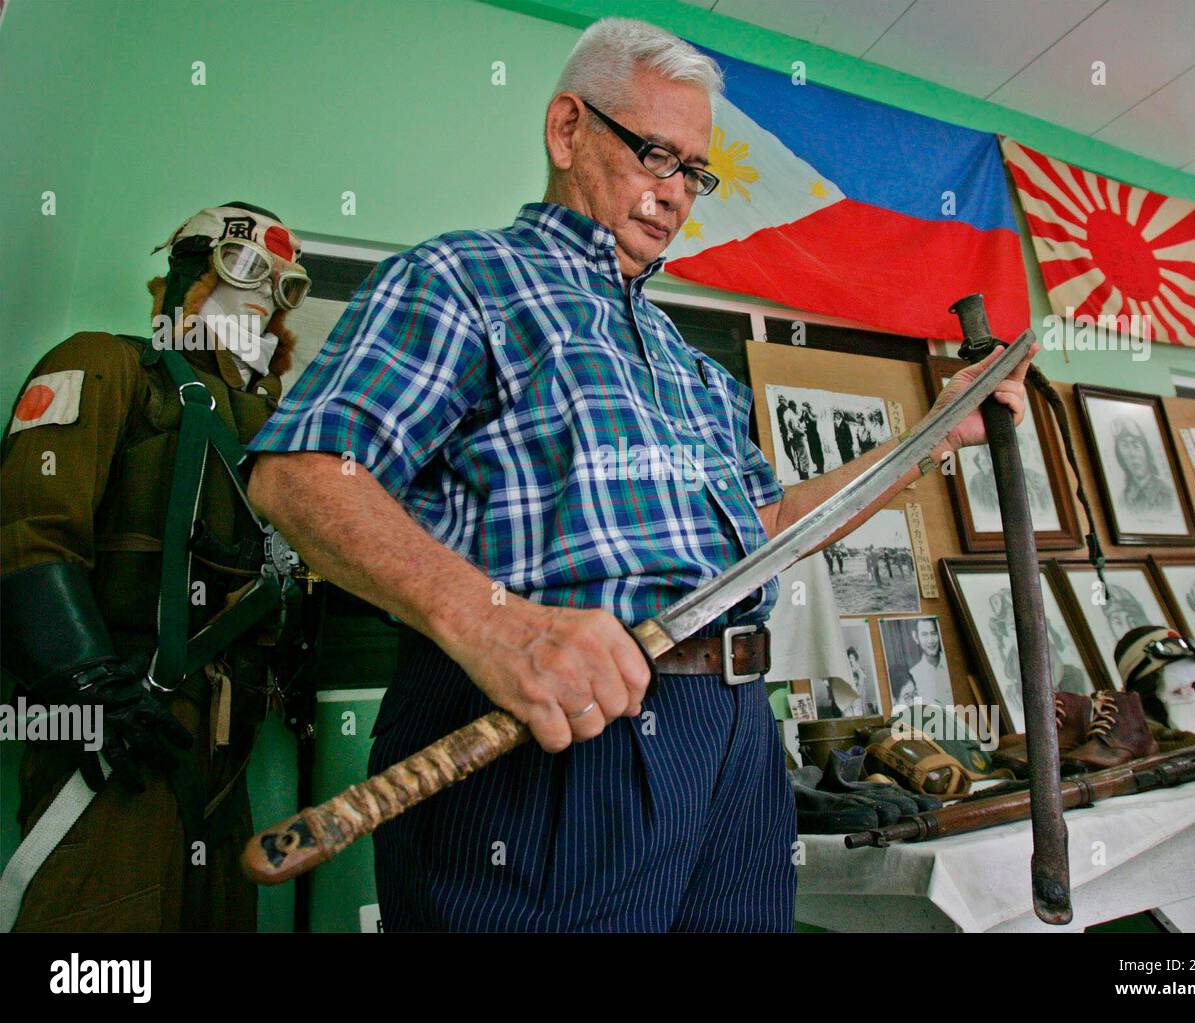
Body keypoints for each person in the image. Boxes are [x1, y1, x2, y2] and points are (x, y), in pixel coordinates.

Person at [244, 18, 1033, 932]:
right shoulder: (463, 279)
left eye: (694, 174)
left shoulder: (686, 360)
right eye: (657, 155)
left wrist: (934, 433)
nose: (676, 197)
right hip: (549, 741)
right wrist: (495, 627)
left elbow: (767, 528)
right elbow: (300, 475)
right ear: (568, 129)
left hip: (735, 738)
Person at [1, 203, 312, 930]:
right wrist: (87, 687)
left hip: (223, 754)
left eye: (284, 286)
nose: (262, 297)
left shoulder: (276, 436)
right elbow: (26, 536)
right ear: (185, 272)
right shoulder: (105, 365)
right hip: (113, 735)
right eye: (242, 268)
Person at [1112, 415, 1173, 513]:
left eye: (1136, 446)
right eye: (1125, 446)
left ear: (1147, 452)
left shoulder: (1168, 496)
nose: (1132, 454)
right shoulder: (1122, 500)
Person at [904, 618, 951, 704]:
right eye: (924, 635)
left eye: (933, 633)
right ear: (916, 637)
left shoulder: (952, 664)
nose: (930, 640)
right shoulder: (913, 675)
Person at [800, 402, 825, 475]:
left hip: (814, 435)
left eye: (804, 407)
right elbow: (800, 420)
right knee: (813, 452)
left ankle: (821, 468)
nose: (803, 408)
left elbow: (814, 420)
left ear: (807, 407)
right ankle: (818, 468)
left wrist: (808, 413)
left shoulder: (812, 413)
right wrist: (802, 413)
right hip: (809, 435)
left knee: (818, 451)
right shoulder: (804, 414)